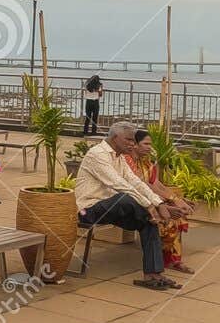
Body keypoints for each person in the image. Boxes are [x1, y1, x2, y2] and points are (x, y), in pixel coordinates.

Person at [74, 122, 182, 290]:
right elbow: (119, 184)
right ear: (115, 138)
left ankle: (153, 275)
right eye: (129, 140)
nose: (132, 144)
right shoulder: (97, 154)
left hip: (114, 208)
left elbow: (134, 182)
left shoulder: (119, 157)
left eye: (133, 140)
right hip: (89, 210)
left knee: (148, 223)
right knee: (125, 197)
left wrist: (159, 202)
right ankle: (155, 216)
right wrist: (151, 207)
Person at [126, 129, 196, 272]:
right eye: (145, 144)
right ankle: (161, 260)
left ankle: (174, 260)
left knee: (178, 215)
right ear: (135, 145)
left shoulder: (146, 162)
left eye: (150, 144)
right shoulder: (128, 161)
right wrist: (174, 201)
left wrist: (178, 200)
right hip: (134, 199)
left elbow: (157, 185)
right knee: (170, 218)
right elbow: (144, 185)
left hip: (150, 198)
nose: (149, 147)